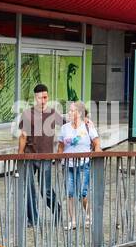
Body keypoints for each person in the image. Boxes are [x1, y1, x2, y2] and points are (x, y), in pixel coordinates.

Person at [15, 84, 62, 228]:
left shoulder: (53, 113)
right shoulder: (28, 114)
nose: (43, 100)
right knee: (29, 188)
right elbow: (23, 136)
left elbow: (68, 125)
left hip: (46, 157)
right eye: (41, 97)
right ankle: (33, 219)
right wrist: (20, 154)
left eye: (46, 97)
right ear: (35, 97)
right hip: (29, 156)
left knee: (45, 189)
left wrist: (85, 122)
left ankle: (57, 210)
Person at [56, 101, 100, 230]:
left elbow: (97, 142)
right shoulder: (65, 128)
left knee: (82, 193)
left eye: (72, 110)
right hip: (67, 165)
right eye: (69, 110)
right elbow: (60, 146)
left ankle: (88, 214)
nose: (69, 113)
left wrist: (96, 155)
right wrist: (59, 160)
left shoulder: (87, 127)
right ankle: (72, 221)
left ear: (79, 113)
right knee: (70, 193)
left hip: (82, 165)